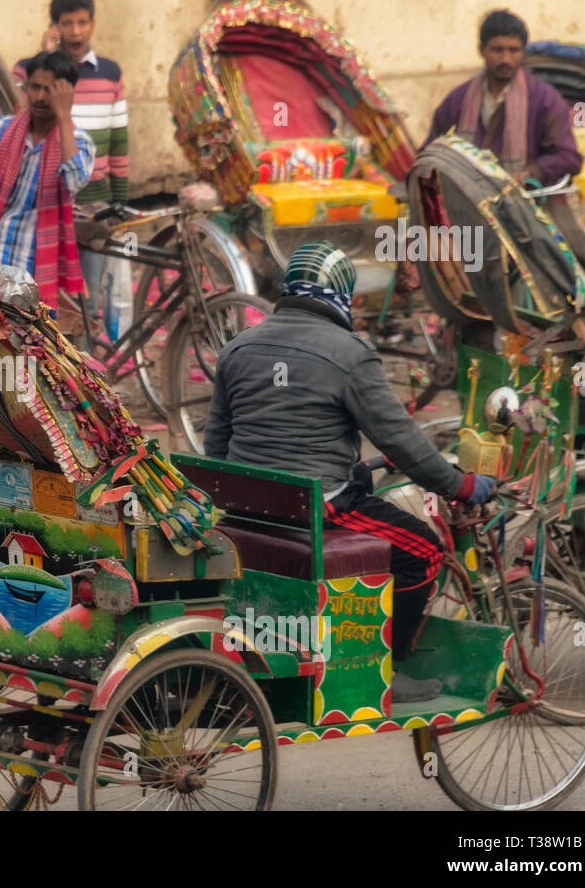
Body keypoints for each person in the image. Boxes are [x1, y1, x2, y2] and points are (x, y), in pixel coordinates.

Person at [204, 241, 496, 703]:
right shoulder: (350, 353)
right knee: (423, 552)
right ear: (341, 295)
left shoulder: (238, 347)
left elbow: (216, 444)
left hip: (246, 511)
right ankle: (388, 669)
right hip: (314, 509)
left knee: (360, 490)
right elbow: (401, 439)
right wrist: (459, 484)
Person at [13, 0, 128, 329]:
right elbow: (20, 121)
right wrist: (45, 57)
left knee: (85, 298)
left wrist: (120, 201)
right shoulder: (26, 71)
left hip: (93, 206)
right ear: (54, 27)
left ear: (92, 25)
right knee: (40, 298)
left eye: (82, 22)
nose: (75, 31)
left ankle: (84, 371)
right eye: (67, 23)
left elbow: (119, 139)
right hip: (46, 206)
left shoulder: (109, 73)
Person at [0, 50, 94, 316]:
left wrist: (64, 117)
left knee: (27, 351)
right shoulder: (1, 130)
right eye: (34, 87)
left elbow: (74, 180)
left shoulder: (79, 143)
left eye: (50, 90)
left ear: (66, 94)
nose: (40, 97)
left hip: (33, 271)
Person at [423, 9, 582, 186]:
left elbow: (569, 158)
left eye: (513, 51)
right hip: (468, 205)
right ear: (482, 50)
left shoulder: (544, 100)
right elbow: (431, 153)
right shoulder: (456, 101)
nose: (506, 59)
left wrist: (531, 172)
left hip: (529, 203)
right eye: (497, 50)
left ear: (523, 52)